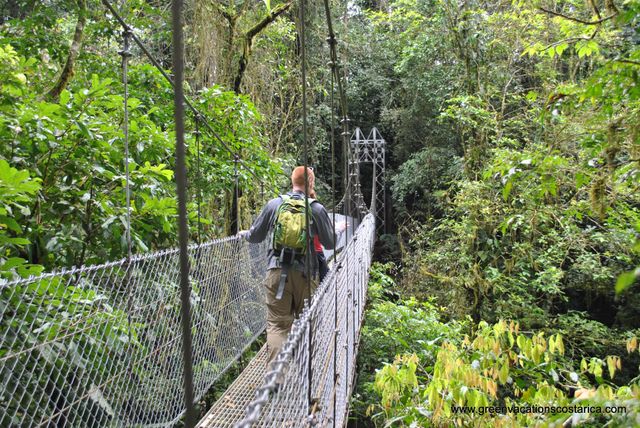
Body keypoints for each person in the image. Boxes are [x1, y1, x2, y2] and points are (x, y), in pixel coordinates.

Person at [240, 166, 335, 363]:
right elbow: (330, 243)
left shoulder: (275, 204)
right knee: (305, 324)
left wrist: (244, 235)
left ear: (292, 181)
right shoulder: (316, 208)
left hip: (276, 270)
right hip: (306, 276)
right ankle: (303, 377)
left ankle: (277, 379)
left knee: (278, 326)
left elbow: (256, 236)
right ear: (311, 184)